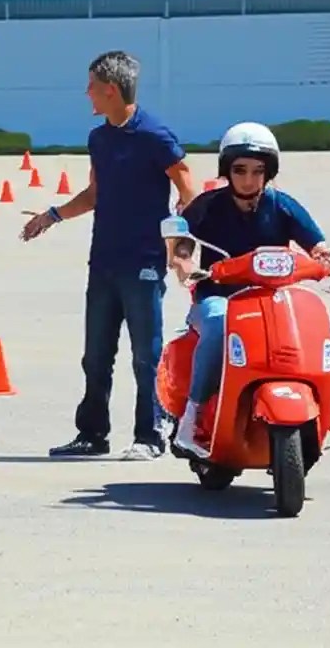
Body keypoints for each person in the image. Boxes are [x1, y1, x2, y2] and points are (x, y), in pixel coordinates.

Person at [21, 50, 198, 461]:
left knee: (145, 355)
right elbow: (95, 194)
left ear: (112, 91)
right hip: (104, 262)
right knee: (96, 356)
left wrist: (182, 250)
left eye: (92, 87)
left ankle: (150, 434)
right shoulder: (99, 138)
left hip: (143, 263)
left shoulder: (154, 135)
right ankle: (92, 434)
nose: (87, 94)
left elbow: (188, 187)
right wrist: (52, 216)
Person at [168, 122, 330, 457]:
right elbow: (183, 243)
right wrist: (183, 262)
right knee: (217, 320)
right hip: (219, 297)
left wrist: (325, 255)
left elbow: (316, 242)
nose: (248, 179)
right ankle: (194, 415)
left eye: (258, 171)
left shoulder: (283, 205)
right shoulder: (208, 205)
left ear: (268, 173)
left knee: (312, 322)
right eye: (240, 170)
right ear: (227, 171)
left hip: (272, 300)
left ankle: (319, 413)